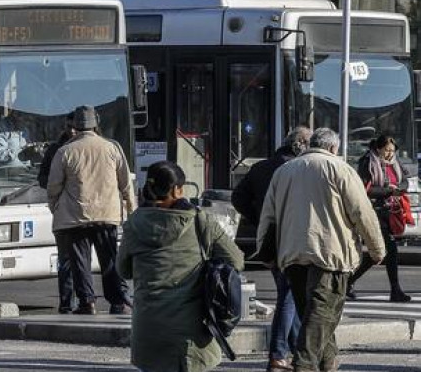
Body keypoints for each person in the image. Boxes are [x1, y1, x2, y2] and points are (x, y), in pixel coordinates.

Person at [257, 128, 386, 372]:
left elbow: (269, 215)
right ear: (333, 148)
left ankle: (328, 362)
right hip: (330, 254)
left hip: (292, 254)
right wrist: (377, 248)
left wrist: (266, 254)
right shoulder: (340, 169)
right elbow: (362, 213)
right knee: (322, 314)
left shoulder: (285, 171)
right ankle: (304, 364)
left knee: (313, 312)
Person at [118, 160, 244, 372]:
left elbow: (124, 271)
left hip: (148, 331)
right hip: (189, 333)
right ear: (177, 190)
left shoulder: (133, 224)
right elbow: (236, 261)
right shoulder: (200, 221)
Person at [231, 126, 311, 372]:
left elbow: (238, 198)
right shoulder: (298, 170)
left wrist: (258, 218)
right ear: (301, 145)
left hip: (268, 238)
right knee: (288, 295)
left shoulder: (261, 167)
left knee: (291, 292)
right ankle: (278, 354)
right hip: (291, 237)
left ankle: (297, 349)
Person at [47, 105, 136, 315]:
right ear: (96, 124)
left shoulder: (65, 151)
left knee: (80, 262)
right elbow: (125, 182)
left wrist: (55, 208)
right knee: (110, 260)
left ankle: (87, 302)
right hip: (108, 213)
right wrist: (130, 207)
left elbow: (53, 186)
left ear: (76, 126)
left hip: (76, 215)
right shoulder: (112, 148)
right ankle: (117, 302)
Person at [348, 135, 412, 302]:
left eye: (392, 150)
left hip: (390, 211)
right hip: (374, 212)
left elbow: (405, 180)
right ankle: (395, 290)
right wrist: (389, 191)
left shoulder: (396, 163)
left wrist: (399, 188)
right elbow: (365, 189)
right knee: (388, 250)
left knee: (379, 253)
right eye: (387, 150)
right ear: (378, 148)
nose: (390, 154)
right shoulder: (368, 162)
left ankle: (348, 282)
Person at [37, 112, 77, 314]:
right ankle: (67, 302)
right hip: (65, 211)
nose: (72, 131)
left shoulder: (95, 147)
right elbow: (43, 178)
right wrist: (58, 194)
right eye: (68, 126)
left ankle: (87, 300)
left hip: (88, 212)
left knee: (84, 260)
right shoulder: (56, 150)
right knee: (67, 260)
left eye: (75, 127)